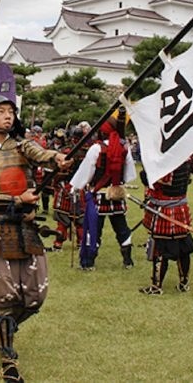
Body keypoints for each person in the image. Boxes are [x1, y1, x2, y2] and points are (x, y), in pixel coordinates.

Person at [0, 95, 69, 382]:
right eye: (1, 112)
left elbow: (41, 153)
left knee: (35, 295)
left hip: (26, 228)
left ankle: (4, 329)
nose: (8, 116)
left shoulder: (22, 145)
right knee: (2, 296)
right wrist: (16, 198)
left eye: (11, 111)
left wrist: (57, 157)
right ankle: (7, 359)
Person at [69, 109, 137, 271]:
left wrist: (75, 187)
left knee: (94, 228)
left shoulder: (96, 148)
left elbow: (86, 171)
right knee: (122, 228)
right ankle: (128, 261)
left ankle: (89, 263)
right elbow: (129, 175)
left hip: (98, 195)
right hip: (116, 194)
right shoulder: (124, 148)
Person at [138, 156, 193, 295]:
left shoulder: (165, 164)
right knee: (183, 247)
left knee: (160, 249)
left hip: (165, 209)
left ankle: (157, 286)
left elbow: (148, 179)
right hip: (180, 208)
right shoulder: (187, 159)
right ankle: (183, 283)